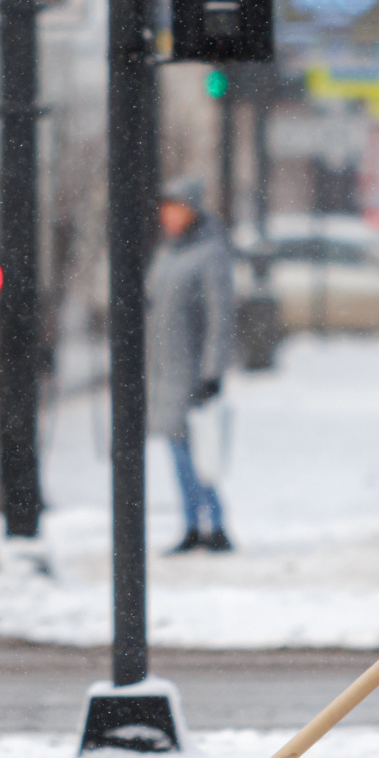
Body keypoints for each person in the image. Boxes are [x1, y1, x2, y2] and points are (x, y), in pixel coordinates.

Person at [149, 176, 236, 554]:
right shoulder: (168, 253)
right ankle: (194, 522)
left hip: (191, 370)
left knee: (196, 452)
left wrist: (212, 372)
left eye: (175, 209)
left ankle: (213, 523)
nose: (168, 217)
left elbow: (221, 317)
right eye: (165, 210)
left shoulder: (210, 254)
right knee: (179, 450)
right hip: (165, 368)